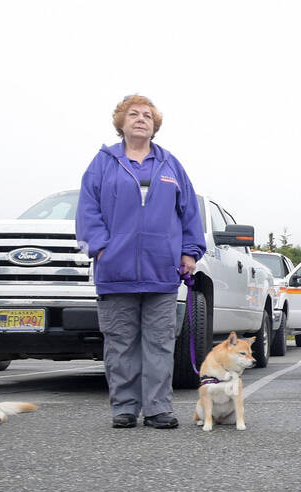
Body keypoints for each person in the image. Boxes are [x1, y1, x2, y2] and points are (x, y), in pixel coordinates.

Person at [76, 95, 206, 429]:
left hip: (161, 272)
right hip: (115, 271)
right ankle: (124, 407)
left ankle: (158, 408)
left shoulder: (170, 165)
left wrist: (190, 252)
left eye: (148, 115)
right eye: (133, 114)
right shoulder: (103, 163)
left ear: (155, 125)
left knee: (160, 344)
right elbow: (88, 211)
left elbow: (189, 211)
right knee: (120, 345)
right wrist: (101, 248)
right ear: (120, 122)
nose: (141, 119)